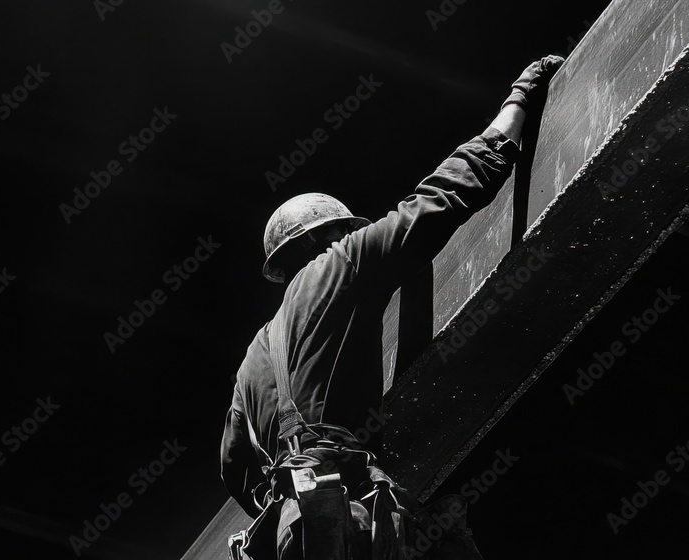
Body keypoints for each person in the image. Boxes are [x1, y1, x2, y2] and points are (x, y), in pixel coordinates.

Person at [221, 55, 564, 560]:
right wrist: (518, 101)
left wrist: (293, 496)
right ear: (332, 235)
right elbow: (441, 197)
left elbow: (234, 468)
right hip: (348, 519)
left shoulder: (252, 360)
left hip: (295, 533)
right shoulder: (341, 263)